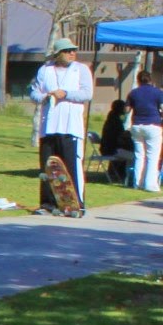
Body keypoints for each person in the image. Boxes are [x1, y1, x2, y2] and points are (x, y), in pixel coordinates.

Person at [30, 36, 93, 215]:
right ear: (58, 54)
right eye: (67, 51)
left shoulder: (81, 70)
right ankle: (48, 204)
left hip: (71, 126)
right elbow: (34, 92)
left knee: (71, 167)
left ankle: (76, 204)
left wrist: (65, 93)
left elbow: (87, 94)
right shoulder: (44, 70)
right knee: (48, 167)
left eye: (73, 50)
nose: (72, 53)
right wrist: (45, 96)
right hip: (48, 126)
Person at [125, 70, 163, 191]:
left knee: (139, 155)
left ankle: (137, 183)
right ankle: (150, 184)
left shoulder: (133, 93)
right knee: (152, 155)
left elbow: (126, 110)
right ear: (151, 80)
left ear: (138, 80)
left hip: (136, 125)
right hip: (153, 125)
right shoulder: (157, 92)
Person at [99, 96, 134, 184]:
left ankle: (115, 171)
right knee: (134, 153)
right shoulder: (115, 122)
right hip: (112, 150)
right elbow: (119, 138)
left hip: (107, 149)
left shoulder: (111, 119)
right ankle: (124, 174)